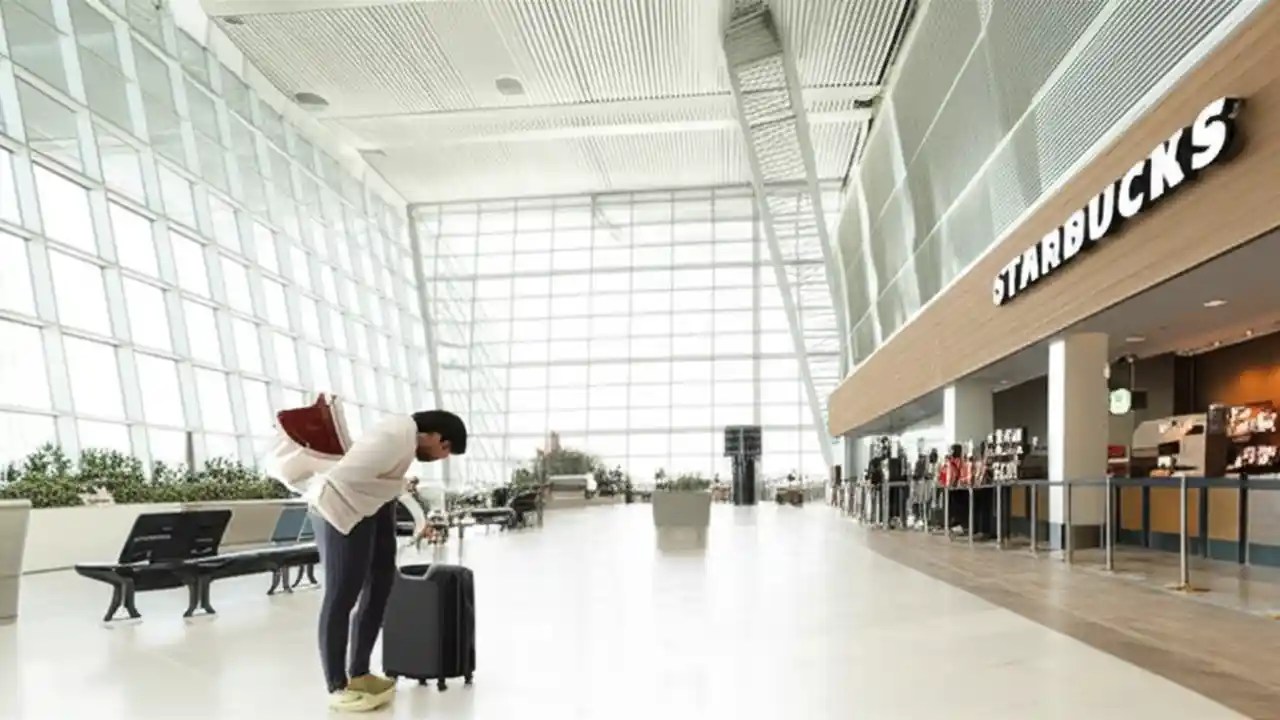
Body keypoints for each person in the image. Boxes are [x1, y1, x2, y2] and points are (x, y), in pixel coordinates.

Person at [266, 409, 467, 712]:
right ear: (437, 436)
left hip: (369, 508)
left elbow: (378, 481)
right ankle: (336, 685)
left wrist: (402, 498)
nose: (442, 456)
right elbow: (345, 476)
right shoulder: (396, 435)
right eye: (446, 449)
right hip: (337, 508)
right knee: (342, 594)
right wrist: (397, 486)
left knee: (381, 584)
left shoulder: (404, 439)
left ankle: (359, 673)